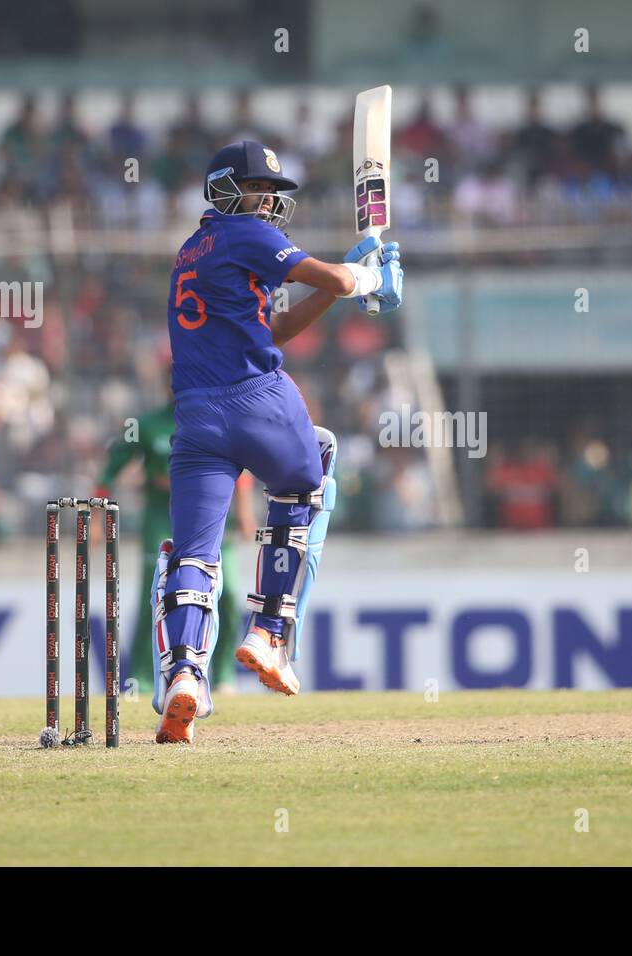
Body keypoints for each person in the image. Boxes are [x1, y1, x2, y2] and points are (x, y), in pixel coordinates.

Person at [151, 140, 402, 743]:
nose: (269, 202)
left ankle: (185, 675)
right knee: (311, 468)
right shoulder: (246, 234)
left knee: (193, 555)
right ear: (229, 190)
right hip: (258, 399)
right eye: (261, 190)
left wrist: (348, 281)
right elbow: (340, 280)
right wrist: (368, 274)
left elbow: (278, 326)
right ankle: (268, 633)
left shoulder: (191, 252)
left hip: (196, 418)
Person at [96, 381, 255, 698]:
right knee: (153, 594)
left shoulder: (216, 419)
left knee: (228, 595)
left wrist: (246, 513)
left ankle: (222, 676)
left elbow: (240, 471)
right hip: (161, 516)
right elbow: (110, 471)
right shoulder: (149, 424)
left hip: (211, 515)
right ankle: (142, 676)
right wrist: (98, 519)